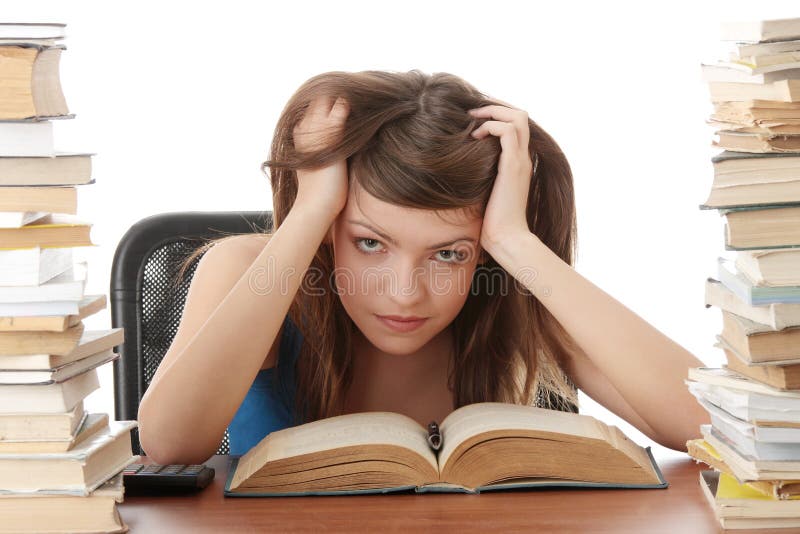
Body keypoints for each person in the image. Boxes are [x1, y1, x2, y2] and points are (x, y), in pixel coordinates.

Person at [137, 69, 709, 465]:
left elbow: (710, 427)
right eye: (369, 244)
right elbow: (169, 444)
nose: (405, 293)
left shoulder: (506, 288)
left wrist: (515, 241)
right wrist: (309, 210)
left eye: (448, 253)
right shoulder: (248, 267)